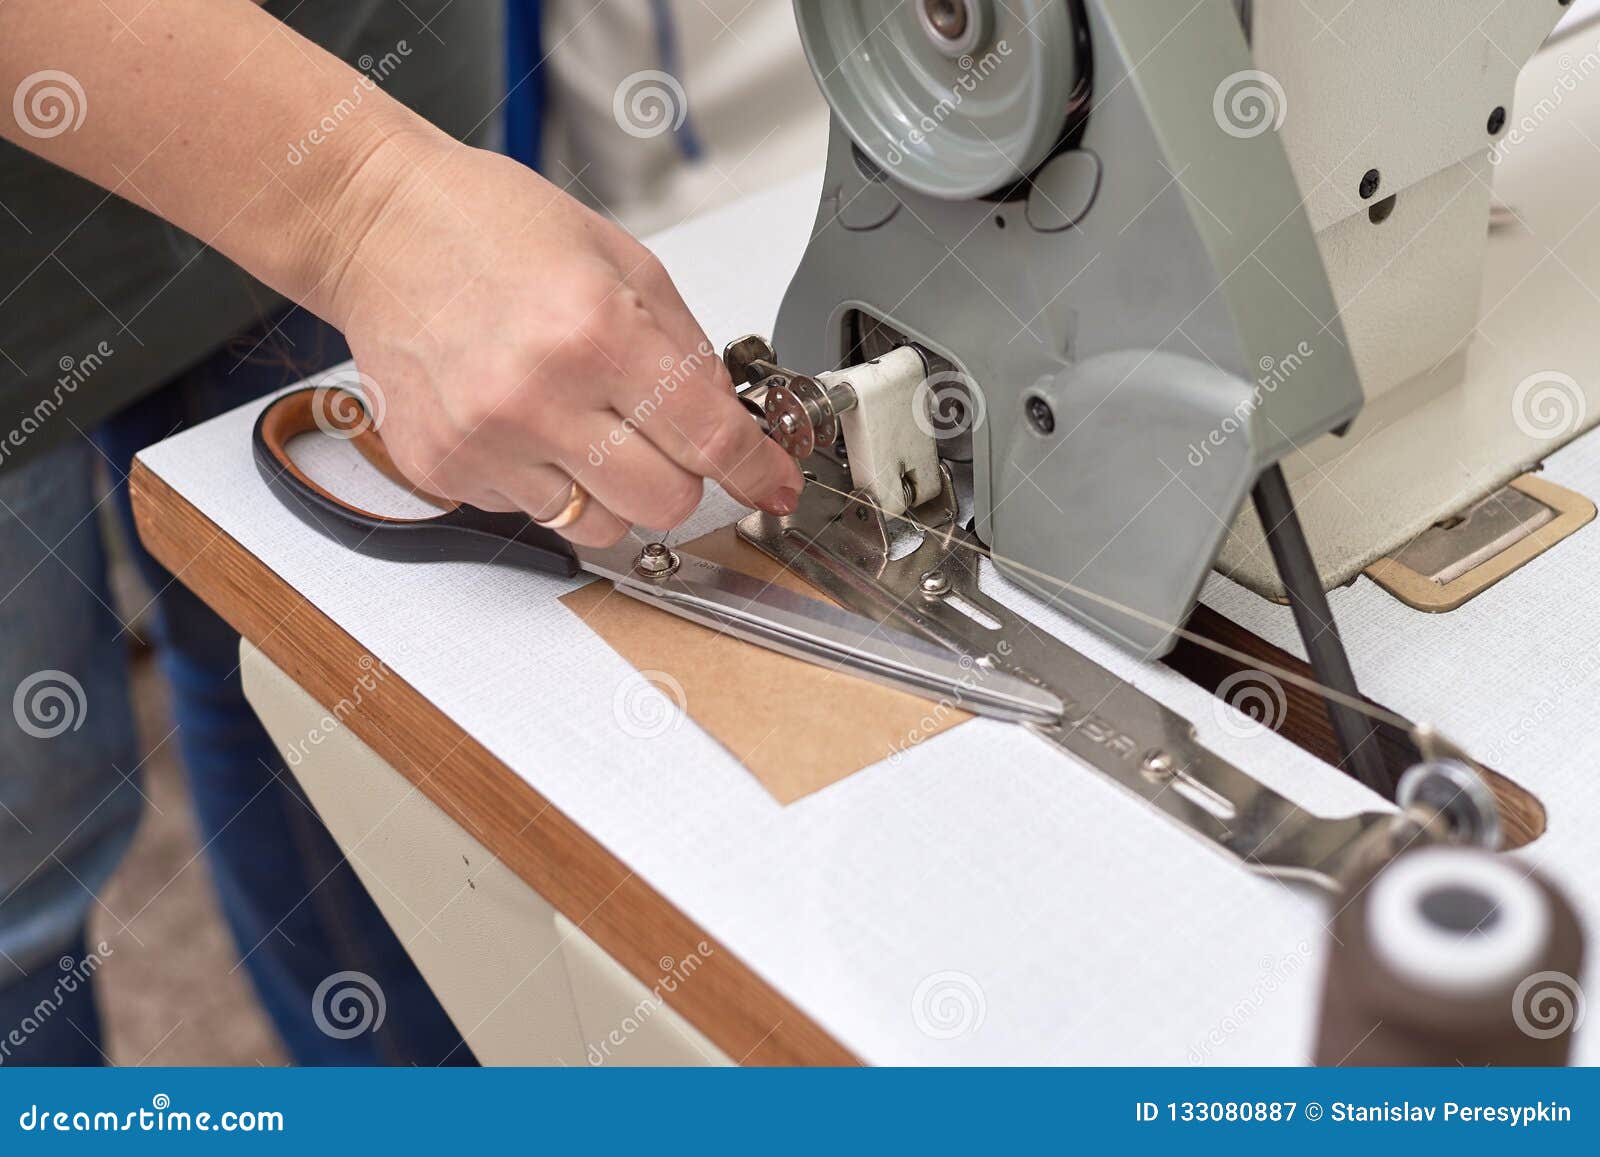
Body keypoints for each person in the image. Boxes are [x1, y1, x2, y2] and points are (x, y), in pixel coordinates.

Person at [0, 0, 800, 1066]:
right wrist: (366, 210)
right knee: (21, 879)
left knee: (303, 685)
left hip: (348, 67)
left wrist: (377, 192)